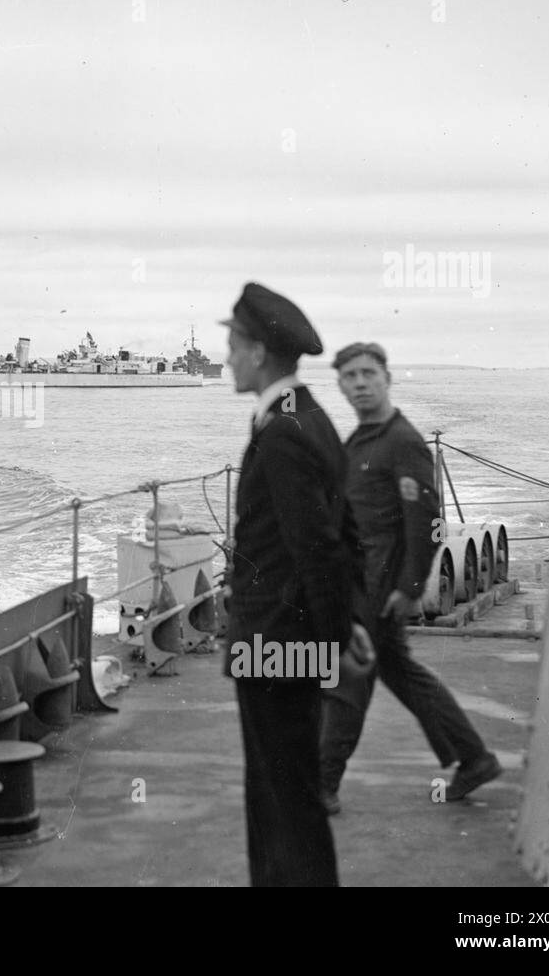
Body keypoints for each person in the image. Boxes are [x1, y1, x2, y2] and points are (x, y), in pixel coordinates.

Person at [219, 283, 372, 887]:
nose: (227, 358)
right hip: (290, 641)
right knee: (287, 794)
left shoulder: (281, 432)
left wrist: (337, 636)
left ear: (258, 352)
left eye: (232, 346)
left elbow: (318, 546)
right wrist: (348, 626)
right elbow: (348, 529)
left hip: (275, 643)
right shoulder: (309, 418)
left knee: (281, 799)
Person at [319, 341, 502, 814]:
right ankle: (475, 758)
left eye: (367, 373)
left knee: (346, 680)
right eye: (349, 376)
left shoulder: (402, 442)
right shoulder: (360, 440)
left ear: (387, 377)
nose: (359, 383)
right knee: (402, 674)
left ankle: (322, 784)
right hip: (360, 581)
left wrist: (410, 587)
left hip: (379, 589)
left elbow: (424, 522)